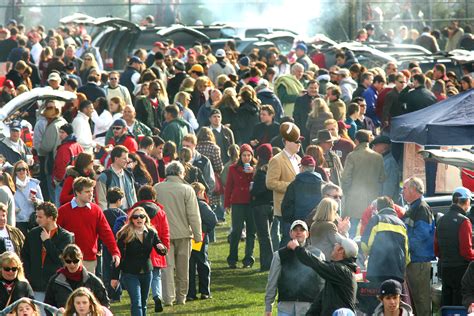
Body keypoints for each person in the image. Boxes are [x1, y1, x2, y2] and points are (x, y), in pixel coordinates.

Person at [153, 161, 202, 306]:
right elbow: (193, 214)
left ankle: (168, 298)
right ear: (181, 173)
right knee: (183, 268)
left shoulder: (157, 188)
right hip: (184, 234)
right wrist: (198, 235)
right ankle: (181, 297)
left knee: (167, 268)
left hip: (163, 235)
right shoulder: (187, 189)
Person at [111, 206, 167, 316]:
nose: (139, 219)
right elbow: (118, 257)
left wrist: (162, 248)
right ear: (131, 219)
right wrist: (114, 277)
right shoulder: (124, 234)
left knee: (143, 302)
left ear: (145, 218)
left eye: (142, 216)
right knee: (137, 303)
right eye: (135, 217)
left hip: (146, 272)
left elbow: (161, 250)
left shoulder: (151, 233)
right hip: (130, 273)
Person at [57, 177, 121, 273]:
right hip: (68, 260)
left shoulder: (96, 210)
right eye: (87, 191)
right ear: (78, 192)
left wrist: (115, 252)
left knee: (88, 288)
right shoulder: (63, 211)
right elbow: (55, 233)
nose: (91, 194)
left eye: (92, 191)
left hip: (89, 260)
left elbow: (106, 233)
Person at [287, 234, 358, 315]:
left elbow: (317, 263)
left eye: (337, 243)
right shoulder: (337, 273)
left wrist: (297, 248)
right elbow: (319, 302)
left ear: (341, 250)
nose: (334, 244)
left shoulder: (342, 271)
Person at [265, 220, 325, 316]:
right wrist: (268, 307)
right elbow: (272, 282)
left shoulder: (317, 254)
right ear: (290, 233)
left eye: (302, 230)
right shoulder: (279, 255)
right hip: (286, 307)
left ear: (307, 234)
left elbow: (322, 281)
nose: (298, 232)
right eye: (295, 229)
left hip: (309, 307)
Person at [21, 202, 73, 302]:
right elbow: (25, 257)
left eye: (40, 217)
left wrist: (47, 241)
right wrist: (28, 276)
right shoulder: (33, 234)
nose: (37, 220)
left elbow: (61, 259)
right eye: (36, 216)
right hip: (35, 286)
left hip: (56, 286)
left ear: (50, 218)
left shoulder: (65, 237)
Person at [129, 185, 170, 312]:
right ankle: (157, 295)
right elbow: (165, 231)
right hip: (155, 247)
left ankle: (142, 300)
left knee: (140, 277)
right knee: (156, 275)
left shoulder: (134, 212)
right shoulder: (160, 211)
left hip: (138, 250)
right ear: (153, 196)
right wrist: (164, 247)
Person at [434, 186, 474, 306]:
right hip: (460, 271)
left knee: (447, 305)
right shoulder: (464, 221)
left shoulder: (441, 220)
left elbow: (436, 250)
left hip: (445, 269)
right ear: (466, 201)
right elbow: (466, 252)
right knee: (458, 306)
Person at [341, 130, 384, 237]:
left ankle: (351, 252)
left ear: (356, 141)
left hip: (354, 200)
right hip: (372, 200)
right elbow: (382, 178)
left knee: (351, 231)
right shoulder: (378, 157)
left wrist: (346, 192)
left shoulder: (352, 156)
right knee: (369, 231)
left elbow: (345, 178)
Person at [401, 177, 434, 316]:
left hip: (418, 262)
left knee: (421, 301)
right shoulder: (413, 208)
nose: (402, 191)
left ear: (414, 190)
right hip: (413, 261)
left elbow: (422, 235)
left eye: (405, 188)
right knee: (414, 302)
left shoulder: (421, 208)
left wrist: (405, 248)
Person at [44, 244, 109, 314]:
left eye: (75, 261)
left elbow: (104, 304)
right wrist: (57, 313)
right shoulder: (55, 281)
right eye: (68, 261)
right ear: (64, 261)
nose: (72, 264)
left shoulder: (93, 281)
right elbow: (48, 306)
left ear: (81, 259)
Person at [266, 122, 302, 248]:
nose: (299, 144)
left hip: (297, 206)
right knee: (287, 237)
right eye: (296, 141)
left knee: (297, 238)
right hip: (284, 207)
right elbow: (270, 183)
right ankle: (280, 264)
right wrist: (292, 186)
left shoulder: (298, 159)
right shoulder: (277, 159)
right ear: (287, 142)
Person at [361, 196, 410, 283]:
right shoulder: (401, 224)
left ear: (378, 208)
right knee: (393, 296)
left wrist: (369, 254)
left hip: (377, 271)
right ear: (393, 207)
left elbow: (365, 244)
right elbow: (407, 253)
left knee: (379, 296)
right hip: (397, 272)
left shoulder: (376, 219)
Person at [187, 182, 217, 301]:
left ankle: (190, 293)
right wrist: (205, 230)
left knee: (190, 265)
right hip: (199, 237)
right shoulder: (202, 205)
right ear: (200, 192)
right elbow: (212, 219)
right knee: (203, 263)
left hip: (188, 236)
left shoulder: (186, 203)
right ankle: (205, 291)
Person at [281, 154, 323, 230]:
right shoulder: (323, 185)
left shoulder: (294, 185)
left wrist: (290, 221)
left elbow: (287, 205)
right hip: (318, 222)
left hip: (298, 223)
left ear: (302, 168)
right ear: (313, 168)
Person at [250, 144, 274, 271]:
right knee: (268, 235)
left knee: (264, 237)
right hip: (271, 205)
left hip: (260, 206)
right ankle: (269, 263)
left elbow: (259, 190)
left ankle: (267, 264)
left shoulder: (261, 172)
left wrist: (252, 191)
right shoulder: (273, 169)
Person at [96, 145, 137, 211]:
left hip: (129, 215)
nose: (127, 161)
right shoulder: (104, 177)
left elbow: (133, 197)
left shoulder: (128, 175)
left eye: (127, 158)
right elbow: (102, 201)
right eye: (124, 158)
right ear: (116, 159)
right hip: (113, 216)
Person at [53, 124, 84, 205]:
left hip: (64, 183)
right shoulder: (78, 146)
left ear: (68, 134)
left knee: (59, 208)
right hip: (77, 182)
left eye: (62, 132)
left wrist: (58, 181)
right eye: (59, 132)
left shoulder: (64, 148)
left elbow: (61, 166)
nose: (60, 134)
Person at [12, 161, 43, 235]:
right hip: (18, 220)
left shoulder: (34, 184)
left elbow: (42, 202)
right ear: (15, 172)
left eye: (23, 169)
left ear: (27, 170)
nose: (21, 171)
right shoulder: (11, 184)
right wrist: (15, 209)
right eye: (19, 169)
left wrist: (36, 200)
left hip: (33, 219)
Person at [370, 136, 400, 203]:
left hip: (386, 205)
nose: (373, 148)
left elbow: (389, 186)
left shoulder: (389, 162)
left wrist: (383, 203)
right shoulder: (383, 160)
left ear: (384, 147)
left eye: (376, 145)